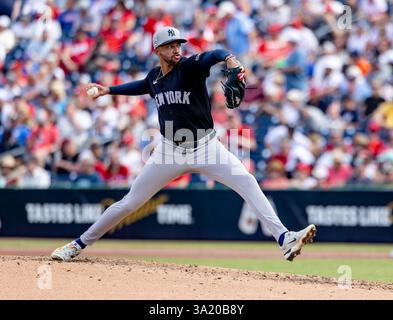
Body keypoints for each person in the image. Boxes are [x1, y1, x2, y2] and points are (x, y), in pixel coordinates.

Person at [51, 26, 316, 262]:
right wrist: (108, 90)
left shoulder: (190, 67)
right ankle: (78, 244)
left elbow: (213, 54)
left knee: (247, 181)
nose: (177, 49)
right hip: (169, 151)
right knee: (129, 202)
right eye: (170, 45)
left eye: (178, 44)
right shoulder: (155, 77)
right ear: (157, 50)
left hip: (206, 147)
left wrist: (229, 59)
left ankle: (284, 239)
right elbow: (140, 86)